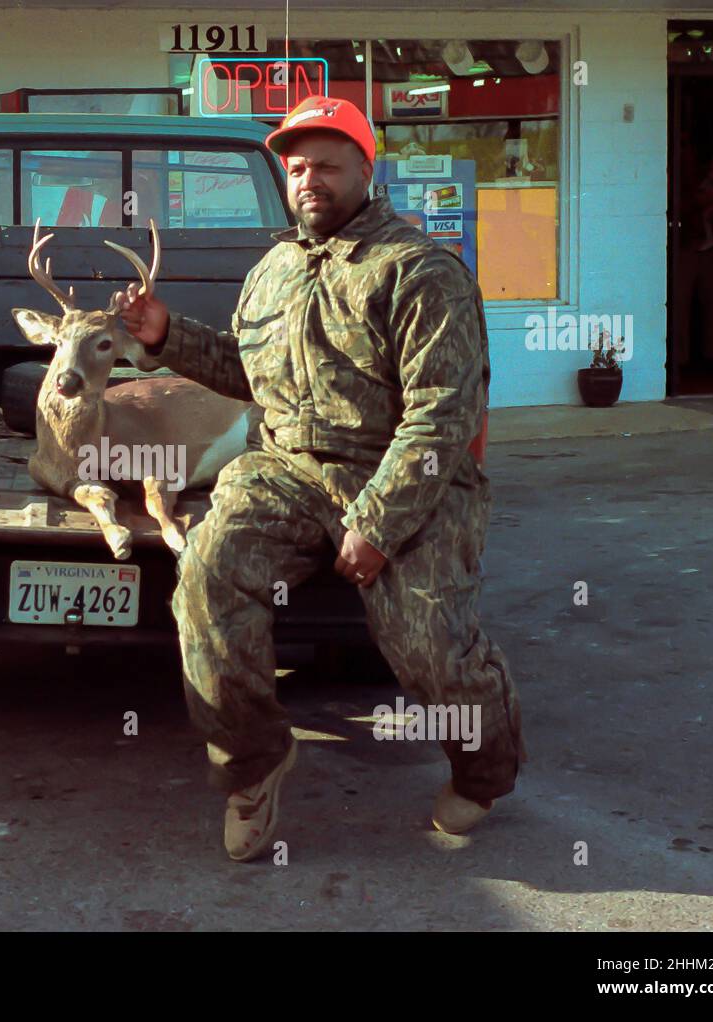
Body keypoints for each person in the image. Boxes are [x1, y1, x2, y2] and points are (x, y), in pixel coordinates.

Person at [112, 96, 526, 862]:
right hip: (288, 471)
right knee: (205, 574)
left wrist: (379, 521)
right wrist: (167, 338)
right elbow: (249, 374)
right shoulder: (271, 271)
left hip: (407, 473)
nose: (310, 179)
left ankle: (485, 768)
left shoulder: (420, 270)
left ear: (367, 169)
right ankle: (252, 762)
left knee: (431, 648)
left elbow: (443, 416)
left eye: (328, 165)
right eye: (297, 166)